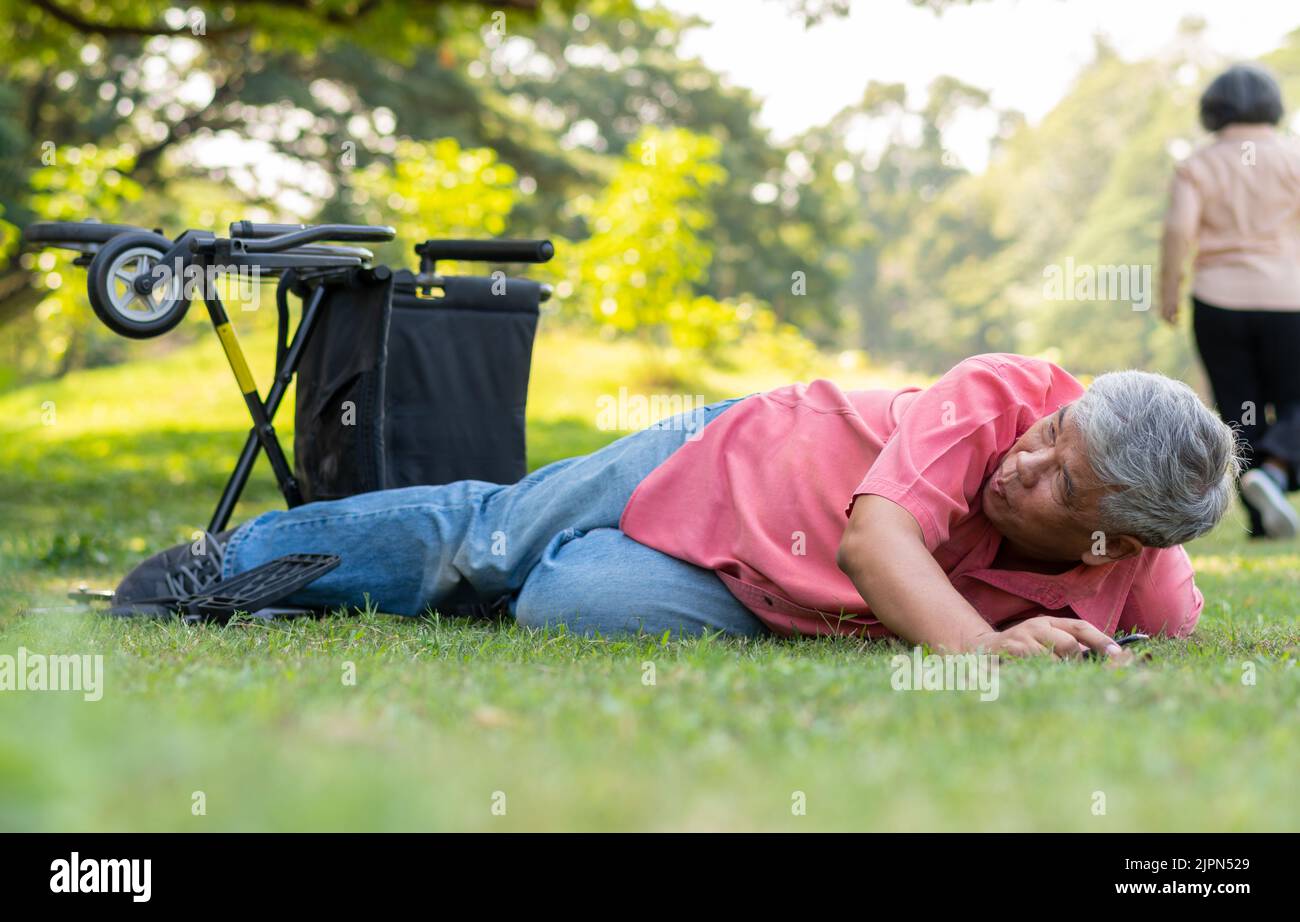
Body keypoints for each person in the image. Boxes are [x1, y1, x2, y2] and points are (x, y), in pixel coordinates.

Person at [113, 352, 1238, 660]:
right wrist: (982, 653)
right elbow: (876, 535)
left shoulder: (1146, 588)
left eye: (1058, 479)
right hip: (726, 458)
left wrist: (1085, 654)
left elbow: (1145, 639)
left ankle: (512, 590)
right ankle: (230, 565)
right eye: (1050, 433)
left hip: (761, 595)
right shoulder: (997, 393)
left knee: (568, 606)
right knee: (485, 540)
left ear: (1115, 536)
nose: (1023, 461)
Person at [1160, 63, 1300, 539]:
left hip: (1218, 301)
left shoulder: (1197, 165)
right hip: (1289, 300)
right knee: (1295, 400)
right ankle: (1278, 473)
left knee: (1241, 409)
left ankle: (1263, 514)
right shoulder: (1292, 158)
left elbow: (1179, 229)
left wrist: (1168, 288)